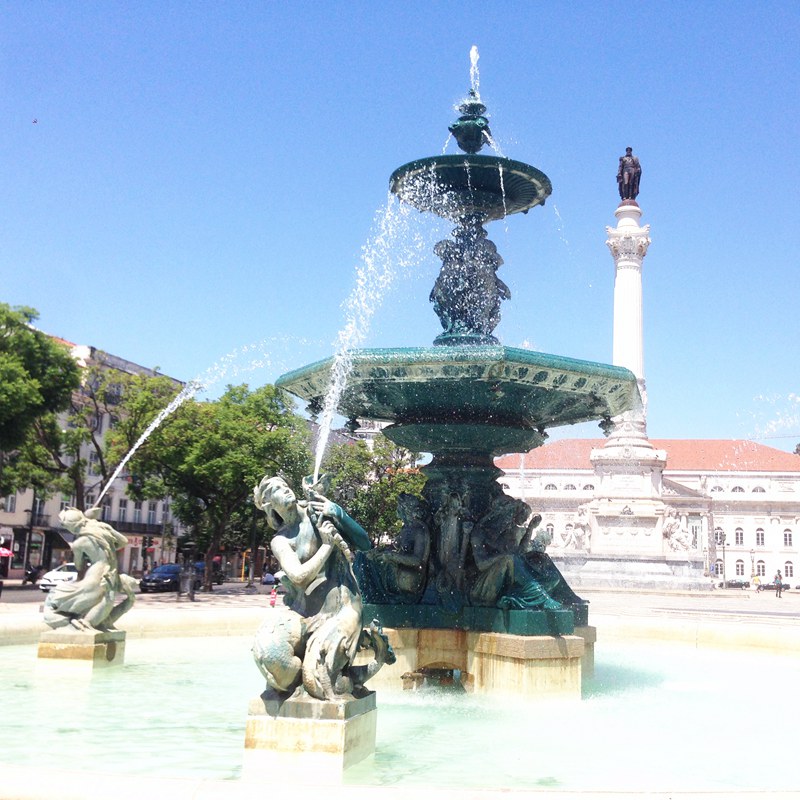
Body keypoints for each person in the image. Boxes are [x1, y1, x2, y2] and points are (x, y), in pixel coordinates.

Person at [251, 474, 391, 700]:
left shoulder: (318, 510)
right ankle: (293, 684)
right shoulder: (281, 540)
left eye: (286, 485)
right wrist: (326, 546)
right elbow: (297, 576)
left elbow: (364, 543)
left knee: (318, 680)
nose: (286, 490)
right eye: (278, 489)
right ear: (269, 505)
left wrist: (338, 512)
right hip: (302, 611)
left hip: (342, 606)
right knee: (268, 651)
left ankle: (368, 663)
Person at [43, 507, 138, 631]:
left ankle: (78, 623)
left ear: (72, 526)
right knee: (105, 600)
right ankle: (85, 623)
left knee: (57, 598)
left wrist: (83, 554)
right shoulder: (104, 528)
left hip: (95, 574)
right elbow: (123, 542)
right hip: (110, 571)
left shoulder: (79, 543)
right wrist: (108, 548)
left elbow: (78, 566)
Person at [354, 493, 431, 604]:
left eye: (399, 507)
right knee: (363, 557)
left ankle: (372, 599)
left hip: (409, 575)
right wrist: (379, 551)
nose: (397, 510)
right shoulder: (406, 528)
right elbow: (394, 547)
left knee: (368, 564)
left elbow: (418, 560)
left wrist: (393, 557)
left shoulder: (419, 530)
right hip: (398, 568)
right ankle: (365, 598)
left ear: (405, 509)